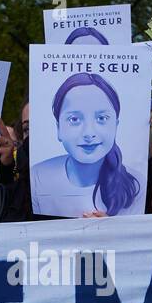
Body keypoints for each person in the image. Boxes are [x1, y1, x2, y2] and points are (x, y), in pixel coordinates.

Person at [31, 72, 140, 216]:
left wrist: (110, 229)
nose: (89, 133)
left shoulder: (135, 185)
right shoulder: (38, 177)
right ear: (58, 128)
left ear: (116, 125)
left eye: (101, 118)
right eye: (74, 119)